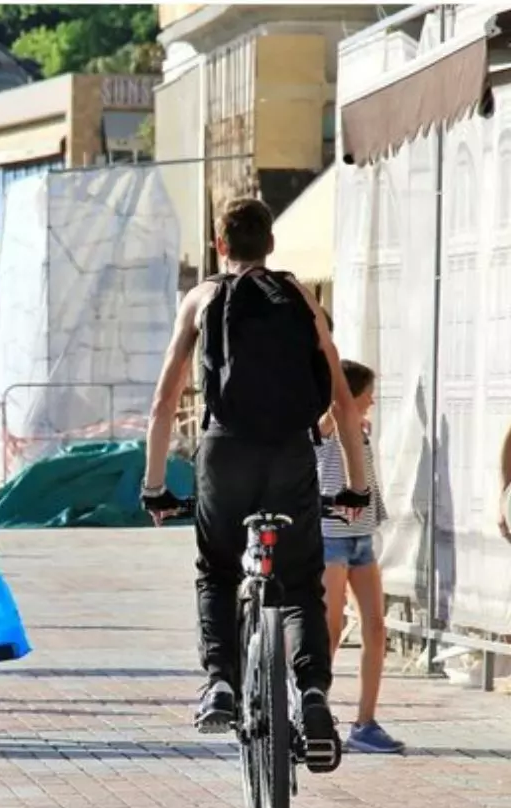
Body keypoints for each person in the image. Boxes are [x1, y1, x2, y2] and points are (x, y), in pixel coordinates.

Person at [139, 197, 369, 773]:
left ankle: (219, 681)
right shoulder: (299, 297)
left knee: (216, 568)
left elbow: (164, 400)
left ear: (221, 245)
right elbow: (342, 401)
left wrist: (153, 485)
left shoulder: (202, 297)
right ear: (271, 244)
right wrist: (356, 487)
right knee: (298, 582)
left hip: (224, 451)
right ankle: (312, 693)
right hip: (291, 452)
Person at [316, 360, 403, 754]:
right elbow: (326, 425)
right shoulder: (327, 426)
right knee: (328, 631)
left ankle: (365, 723)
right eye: (368, 392)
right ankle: (312, 710)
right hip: (330, 538)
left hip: (361, 538)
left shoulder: (360, 430)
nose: (374, 399)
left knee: (375, 627)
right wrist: (339, 404)